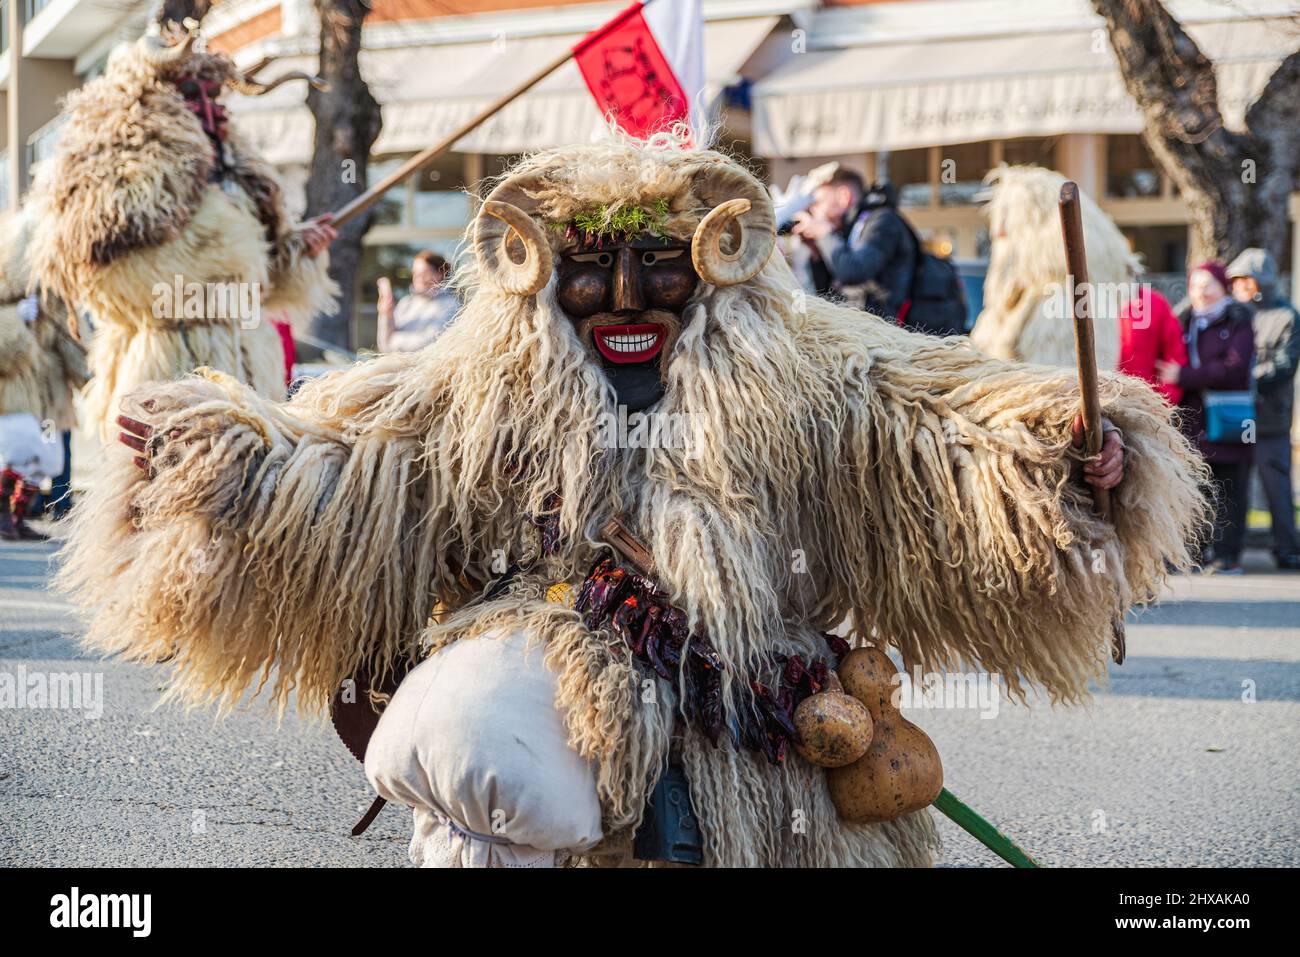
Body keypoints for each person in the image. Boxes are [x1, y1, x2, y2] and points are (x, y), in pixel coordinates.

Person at [65, 133, 1205, 868]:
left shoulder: (816, 374)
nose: (624, 300)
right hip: (549, 710)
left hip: (762, 732)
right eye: (590, 276)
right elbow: (337, 458)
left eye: (660, 272)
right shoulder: (473, 387)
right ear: (538, 281)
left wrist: (1065, 461)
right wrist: (212, 458)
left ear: (714, 268)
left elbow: (942, 433)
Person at [23, 23, 338, 438]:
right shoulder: (111, 187)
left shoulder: (238, 184)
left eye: (214, 96)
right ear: (158, 102)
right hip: (162, 369)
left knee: (246, 487)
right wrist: (216, 294)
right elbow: (107, 283)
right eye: (194, 96)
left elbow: (263, 283)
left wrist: (300, 251)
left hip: (245, 374)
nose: (215, 111)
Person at [1157, 261, 1255, 574]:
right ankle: (1193, 553)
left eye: (1209, 285)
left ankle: (1228, 555)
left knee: (1230, 489)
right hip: (1194, 421)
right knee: (1195, 488)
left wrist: (1184, 376)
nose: (1202, 292)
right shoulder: (1183, 322)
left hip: (1229, 418)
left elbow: (1234, 368)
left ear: (1223, 287)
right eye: (1196, 286)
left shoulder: (1239, 320)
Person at [1228, 249, 1300, 570]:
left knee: (1276, 484)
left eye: (1243, 279)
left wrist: (1243, 377)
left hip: (1269, 417)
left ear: (1260, 282)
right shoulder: (1232, 314)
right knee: (1233, 482)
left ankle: (1287, 549)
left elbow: (1284, 365)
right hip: (1235, 418)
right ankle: (1227, 551)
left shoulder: (1287, 316)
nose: (1236, 286)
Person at [791, 171, 917, 319]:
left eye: (817, 203)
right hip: (861, 330)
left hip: (891, 333)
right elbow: (828, 295)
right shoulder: (847, 230)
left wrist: (825, 234)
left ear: (844, 197)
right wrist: (817, 255)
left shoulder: (882, 221)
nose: (813, 211)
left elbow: (854, 272)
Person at [377, 251, 459, 353]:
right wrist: (386, 316)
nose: (417, 277)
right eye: (415, 272)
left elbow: (430, 342)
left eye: (424, 272)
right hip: (397, 366)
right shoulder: (406, 303)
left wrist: (393, 340)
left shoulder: (451, 305)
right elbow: (383, 346)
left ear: (439, 274)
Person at [1118, 287, 1188, 406]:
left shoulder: (1153, 303)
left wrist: (1162, 401)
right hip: (1102, 403)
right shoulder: (1090, 303)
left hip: (1146, 404)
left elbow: (1174, 354)